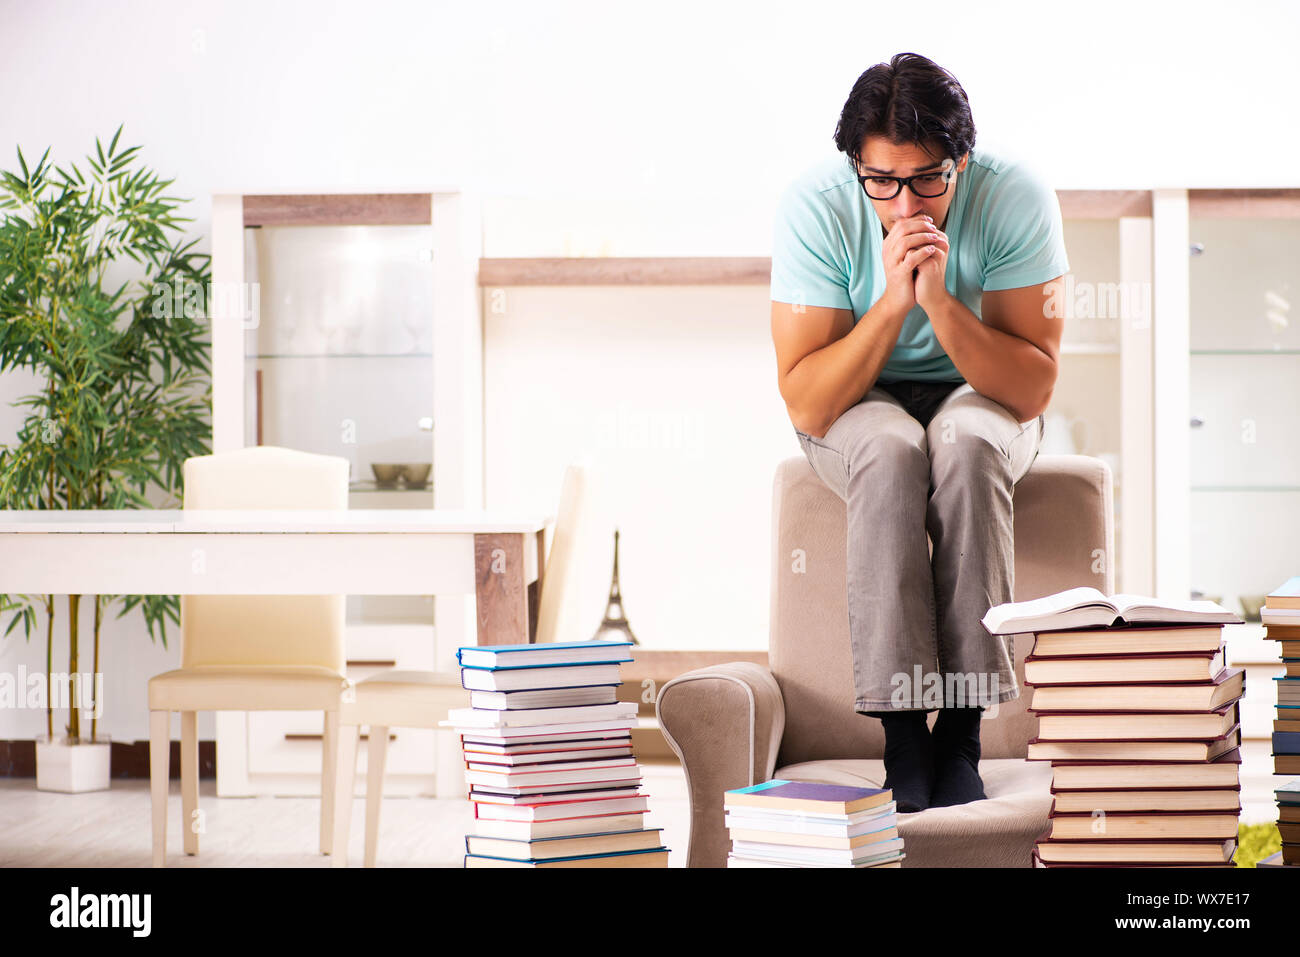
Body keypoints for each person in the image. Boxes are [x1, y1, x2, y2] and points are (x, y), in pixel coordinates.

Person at [769, 52, 1069, 813]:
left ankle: (960, 733)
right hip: (860, 400)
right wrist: (892, 305)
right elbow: (807, 399)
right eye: (882, 182)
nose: (907, 207)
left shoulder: (1015, 197)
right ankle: (904, 737)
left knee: (963, 443)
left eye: (928, 178)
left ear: (961, 160)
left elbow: (1032, 383)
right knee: (890, 445)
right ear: (856, 167)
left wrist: (938, 304)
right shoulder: (814, 206)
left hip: (984, 395)